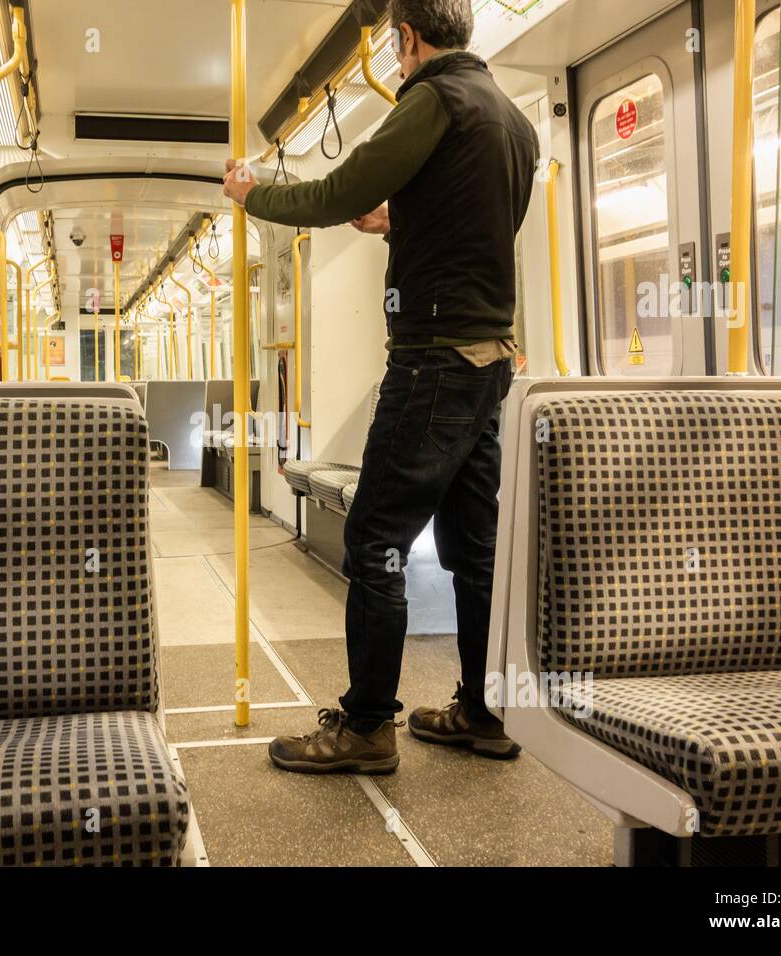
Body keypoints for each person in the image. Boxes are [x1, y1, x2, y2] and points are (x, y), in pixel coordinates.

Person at [222, 0, 539, 774]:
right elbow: (478, 224)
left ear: (407, 37)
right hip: (489, 360)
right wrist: (399, 220)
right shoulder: (514, 120)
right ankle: (483, 708)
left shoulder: (432, 99)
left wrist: (251, 192)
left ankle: (366, 725)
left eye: (395, 48)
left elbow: (333, 193)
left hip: (431, 364)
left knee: (374, 539)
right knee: (475, 549)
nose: (396, 62)